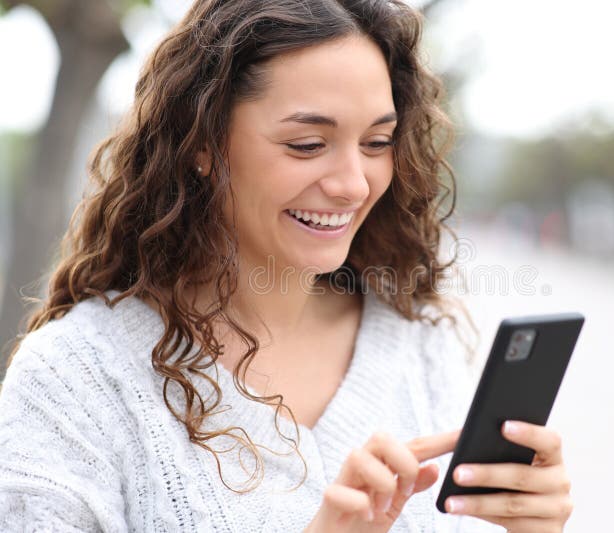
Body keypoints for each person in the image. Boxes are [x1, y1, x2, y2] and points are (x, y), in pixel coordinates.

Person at [0, 0, 573, 531]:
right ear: (201, 143)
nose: (353, 184)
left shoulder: (419, 343)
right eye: (307, 145)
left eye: (377, 143)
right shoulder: (75, 381)